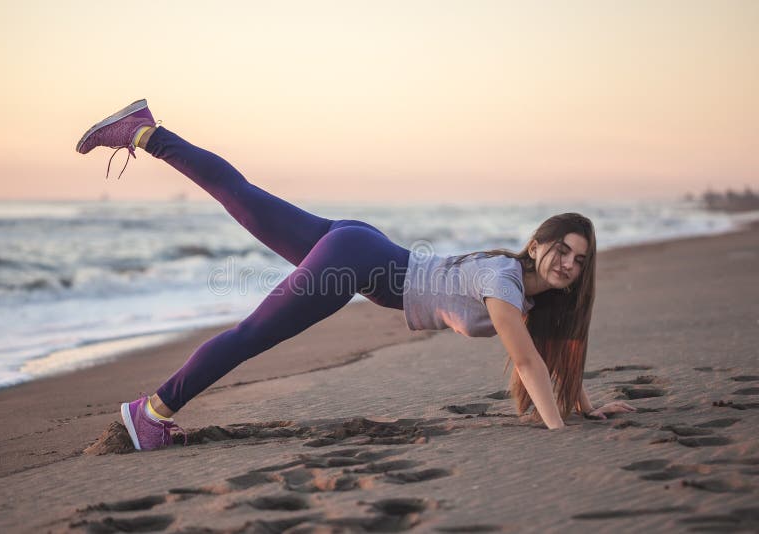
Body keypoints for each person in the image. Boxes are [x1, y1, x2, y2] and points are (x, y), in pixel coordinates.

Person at [76, 99, 635, 451]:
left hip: (362, 247)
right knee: (253, 334)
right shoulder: (506, 285)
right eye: (561, 249)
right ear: (536, 244)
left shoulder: (525, 292)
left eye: (579, 258)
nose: (567, 262)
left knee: (243, 197)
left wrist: (584, 406)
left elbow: (555, 351)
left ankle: (146, 131)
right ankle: (148, 413)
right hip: (355, 261)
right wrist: (562, 434)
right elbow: (527, 361)